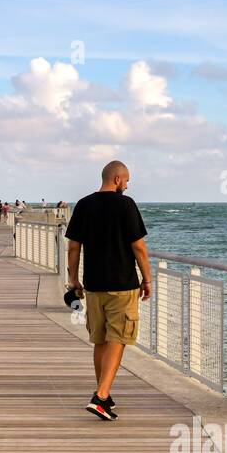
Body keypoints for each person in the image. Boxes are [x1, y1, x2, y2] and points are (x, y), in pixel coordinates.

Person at [64, 160, 151, 422]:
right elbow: (139, 247)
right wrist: (148, 279)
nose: (127, 185)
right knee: (119, 338)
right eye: (126, 180)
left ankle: (104, 392)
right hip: (122, 284)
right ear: (117, 179)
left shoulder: (83, 204)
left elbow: (73, 247)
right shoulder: (126, 204)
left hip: (93, 285)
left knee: (100, 339)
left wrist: (73, 279)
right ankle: (101, 397)